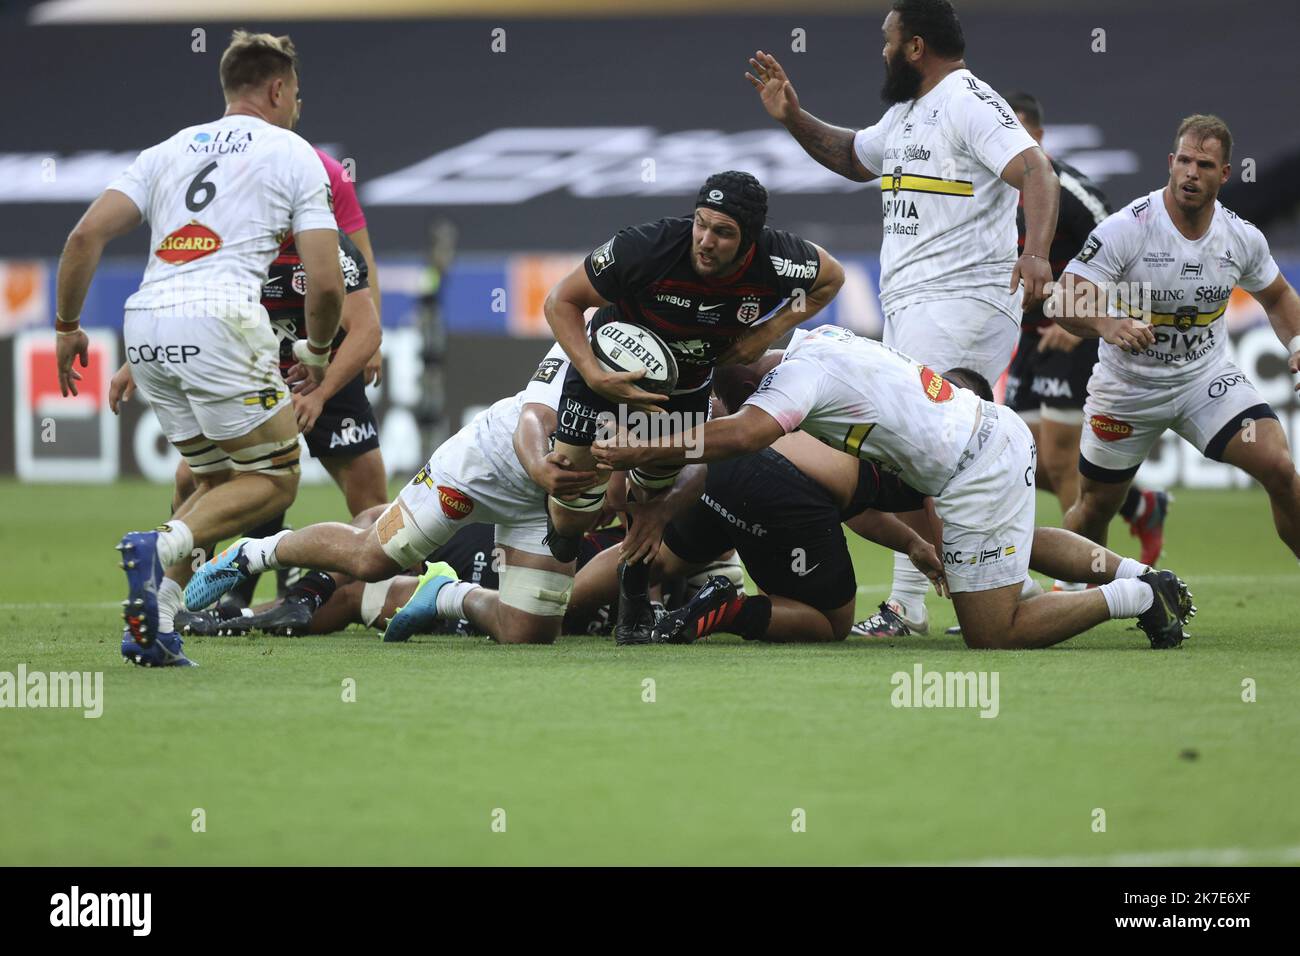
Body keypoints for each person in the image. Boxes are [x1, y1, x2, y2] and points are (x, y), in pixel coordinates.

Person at [747, 0, 1060, 637]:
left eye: (888, 40)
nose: (882, 50)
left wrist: (1034, 254)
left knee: (914, 451)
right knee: (918, 453)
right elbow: (852, 157)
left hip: (964, 301)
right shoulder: (909, 113)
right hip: (917, 306)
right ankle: (1015, 579)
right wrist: (792, 116)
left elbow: (1037, 171)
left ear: (915, 46)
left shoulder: (969, 100)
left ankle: (909, 607)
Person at [593, 326, 1196, 650]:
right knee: (1008, 547)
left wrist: (642, 444)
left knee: (994, 631)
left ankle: (1141, 597)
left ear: (752, 385)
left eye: (740, 396)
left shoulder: (791, 385)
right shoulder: (819, 341)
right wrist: (921, 548)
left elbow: (743, 435)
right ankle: (1137, 578)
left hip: (975, 464)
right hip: (985, 444)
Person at [54, 30, 343, 667]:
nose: (297, 104)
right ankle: (154, 550)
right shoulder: (294, 153)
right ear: (275, 89)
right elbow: (326, 279)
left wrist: (66, 326)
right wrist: (317, 355)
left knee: (214, 481)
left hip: (147, 326)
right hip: (222, 322)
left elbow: (82, 238)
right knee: (273, 480)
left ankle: (155, 619)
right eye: (295, 93)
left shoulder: (165, 150)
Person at [184, 345, 704, 645]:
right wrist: (545, 470)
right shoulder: (590, 334)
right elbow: (532, 417)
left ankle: (445, 594)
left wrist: (648, 494)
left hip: (545, 499)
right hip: (491, 463)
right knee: (372, 557)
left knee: (527, 635)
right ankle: (252, 553)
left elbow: (695, 454)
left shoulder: (685, 374)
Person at [542, 170, 844, 643]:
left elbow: (832, 278)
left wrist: (763, 334)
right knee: (572, 512)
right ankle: (562, 519)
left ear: (750, 240)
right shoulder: (647, 247)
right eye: (701, 223)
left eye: (723, 232)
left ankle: (636, 603)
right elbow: (561, 300)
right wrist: (597, 375)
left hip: (682, 388)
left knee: (651, 503)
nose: (705, 240)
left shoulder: (781, 260)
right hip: (607, 371)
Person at [1054, 115, 1300, 562]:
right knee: (1095, 508)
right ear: (1170, 163)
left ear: (1225, 174)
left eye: (1204, 165)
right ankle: (1069, 588)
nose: (1191, 173)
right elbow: (1063, 297)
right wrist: (1109, 325)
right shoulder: (1128, 227)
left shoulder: (1240, 237)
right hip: (1127, 387)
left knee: (1280, 467)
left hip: (1203, 383)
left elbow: (1279, 296)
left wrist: (1297, 344)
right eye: (1184, 161)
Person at [1000, 92, 1169, 580]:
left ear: (1039, 138)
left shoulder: (1070, 191)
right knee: (1025, 458)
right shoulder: (991, 192)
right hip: (1028, 337)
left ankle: (1079, 579)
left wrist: (1079, 324)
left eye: (1020, 136)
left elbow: (1130, 259)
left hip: (1078, 333)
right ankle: (1138, 505)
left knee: (1055, 456)